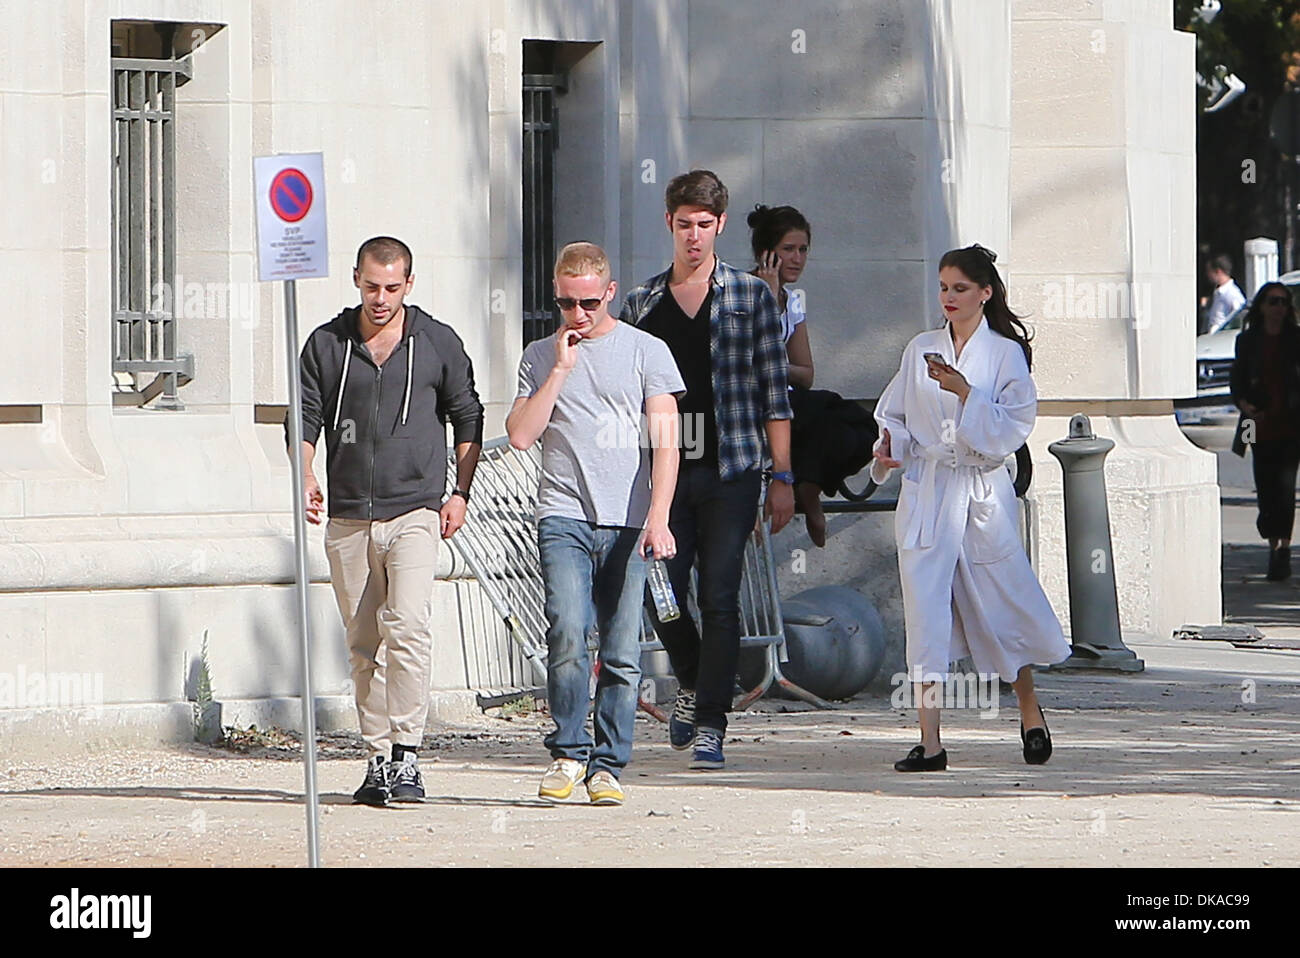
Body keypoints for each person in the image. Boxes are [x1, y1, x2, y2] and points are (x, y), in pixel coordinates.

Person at [290, 236, 484, 806]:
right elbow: (304, 415)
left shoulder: (437, 342)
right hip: (349, 513)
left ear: (409, 284)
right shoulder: (327, 344)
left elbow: (467, 415)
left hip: (416, 510)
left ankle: (408, 754)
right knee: (362, 641)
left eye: (392, 288)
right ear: (356, 279)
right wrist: (304, 475)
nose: (380, 299)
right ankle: (376, 757)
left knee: (409, 628)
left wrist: (460, 492)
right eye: (372, 286)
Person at [870, 243, 1069, 772]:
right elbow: (895, 414)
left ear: (985, 292)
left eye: (960, 288)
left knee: (1001, 603)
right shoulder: (920, 349)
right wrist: (890, 446)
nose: (950, 298)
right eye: (943, 287)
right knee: (926, 613)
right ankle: (930, 742)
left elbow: (1012, 428)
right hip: (930, 492)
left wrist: (965, 394)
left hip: (982, 495)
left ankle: (1029, 710)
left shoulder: (1004, 354)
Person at [620, 169, 795, 771]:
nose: (693, 236)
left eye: (704, 224)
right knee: (658, 591)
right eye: (684, 224)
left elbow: (776, 392)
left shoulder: (750, 297)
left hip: (732, 466)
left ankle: (712, 723)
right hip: (662, 472)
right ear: (669, 223)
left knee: (721, 597)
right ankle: (694, 681)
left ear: (720, 225)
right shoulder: (641, 303)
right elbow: (625, 394)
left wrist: (784, 477)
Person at [506, 242, 683, 805]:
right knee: (566, 630)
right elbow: (520, 434)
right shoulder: (541, 354)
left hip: (630, 520)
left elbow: (667, 440)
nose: (577, 314)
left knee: (623, 648)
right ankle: (567, 752)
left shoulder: (646, 350)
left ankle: (608, 764)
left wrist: (659, 516)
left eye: (587, 302)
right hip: (564, 513)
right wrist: (560, 368)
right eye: (565, 303)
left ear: (609, 293)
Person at [748, 203, 877, 547]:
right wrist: (767, 295)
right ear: (767, 254)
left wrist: (774, 363)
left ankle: (809, 485)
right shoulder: (743, 293)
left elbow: (805, 374)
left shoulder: (792, 303)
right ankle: (803, 488)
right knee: (823, 416)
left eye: (803, 250)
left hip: (789, 397)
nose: (797, 259)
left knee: (859, 425)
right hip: (752, 404)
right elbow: (744, 364)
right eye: (788, 250)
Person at [1229, 281, 1300, 580]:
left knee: (1285, 489)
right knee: (1266, 486)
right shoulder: (1248, 340)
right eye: (1273, 301)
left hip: (1291, 423)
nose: (1278, 308)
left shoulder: (1296, 339)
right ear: (1261, 306)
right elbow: (1238, 377)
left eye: (1283, 302)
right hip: (1255, 423)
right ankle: (1271, 533)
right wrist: (1244, 404)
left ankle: (1280, 550)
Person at [1204, 253, 1246, 334]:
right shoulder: (1218, 293)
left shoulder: (1232, 293)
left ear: (1218, 272)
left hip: (1221, 338)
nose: (1208, 275)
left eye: (1209, 271)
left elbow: (1239, 316)